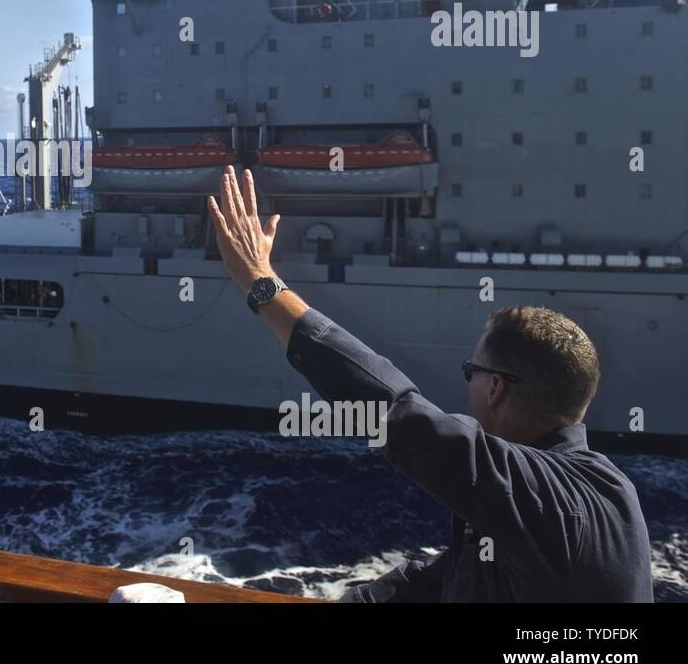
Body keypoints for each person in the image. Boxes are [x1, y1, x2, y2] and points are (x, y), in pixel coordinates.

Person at [208, 165, 653, 602]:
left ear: (496, 388)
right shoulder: (601, 492)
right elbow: (438, 580)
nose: (468, 385)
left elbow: (398, 412)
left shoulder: (544, 499)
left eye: (470, 372)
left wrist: (261, 283)